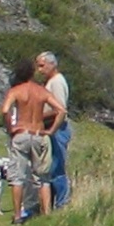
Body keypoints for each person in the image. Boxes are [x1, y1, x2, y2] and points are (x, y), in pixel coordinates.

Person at [0, 61, 65, 223]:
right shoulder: (41, 91)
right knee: (43, 178)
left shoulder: (16, 91)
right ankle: (47, 213)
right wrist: (51, 131)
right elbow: (61, 110)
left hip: (21, 133)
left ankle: (17, 216)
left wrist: (10, 128)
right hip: (39, 134)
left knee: (18, 177)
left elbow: (5, 110)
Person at [36, 51, 73, 208]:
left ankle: (61, 203)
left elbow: (60, 109)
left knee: (57, 168)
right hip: (52, 127)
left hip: (57, 129)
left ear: (52, 64)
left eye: (42, 66)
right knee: (50, 167)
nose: (39, 70)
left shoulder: (56, 82)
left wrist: (38, 116)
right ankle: (51, 202)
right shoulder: (51, 81)